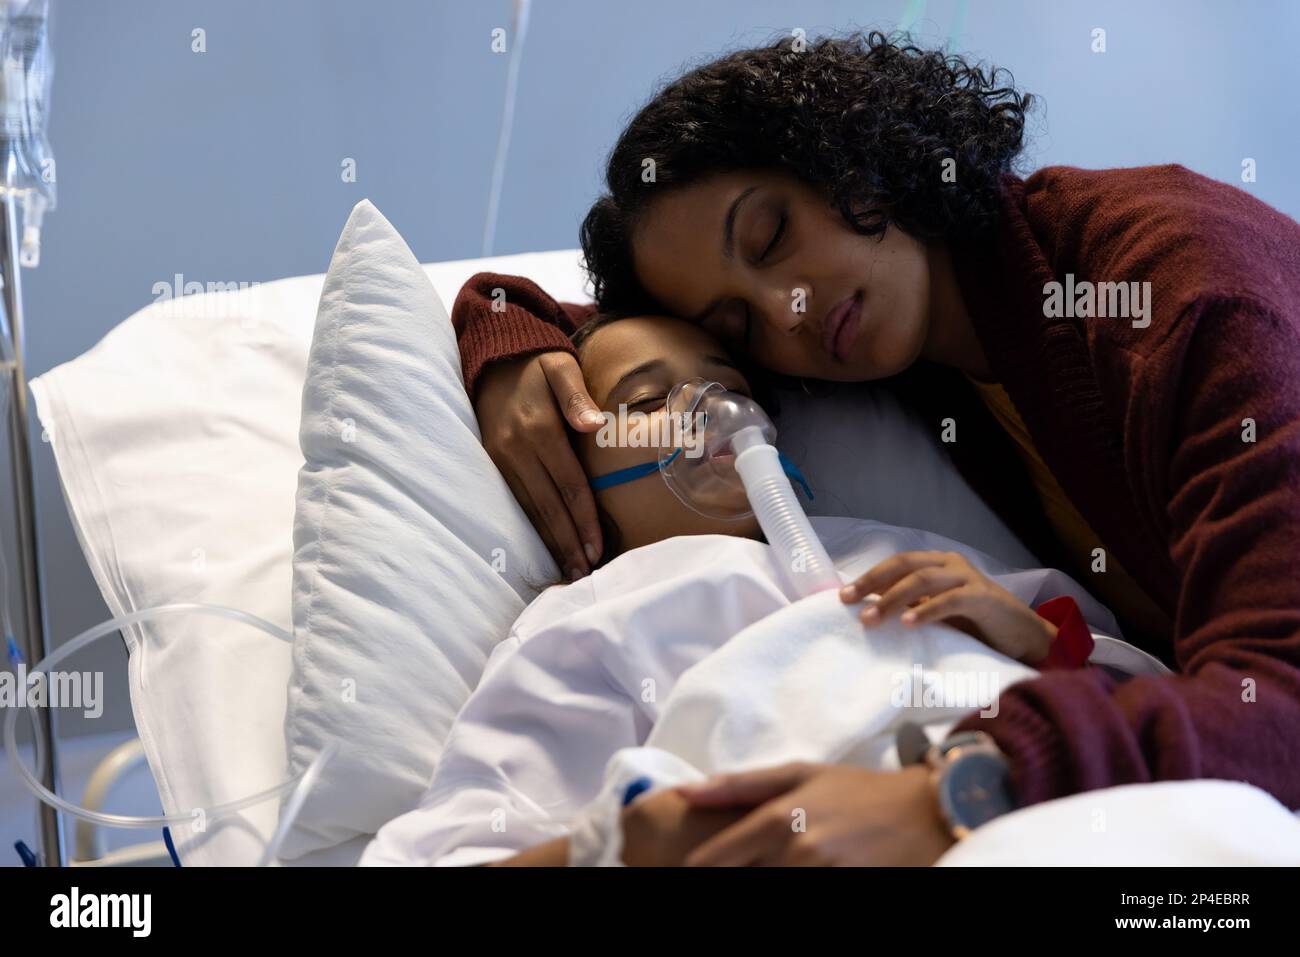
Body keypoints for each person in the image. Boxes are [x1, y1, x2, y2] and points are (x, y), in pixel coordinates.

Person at [454, 32, 1300, 862]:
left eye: (770, 236)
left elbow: (1280, 695)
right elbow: (645, 366)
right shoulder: (922, 345)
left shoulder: (1176, 291)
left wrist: (957, 789)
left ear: (844, 148)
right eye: (738, 323)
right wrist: (506, 332)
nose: (785, 311)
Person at [363, 310, 1107, 867]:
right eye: (651, 397)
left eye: (734, 385)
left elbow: (1163, 708)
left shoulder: (898, 548)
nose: (716, 407)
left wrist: (1032, 635)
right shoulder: (592, 616)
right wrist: (622, 843)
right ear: (573, 474)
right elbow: (459, 847)